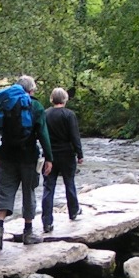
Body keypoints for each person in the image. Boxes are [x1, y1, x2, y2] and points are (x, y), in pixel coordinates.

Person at [0, 75, 53, 250]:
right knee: (28, 192)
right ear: (30, 90)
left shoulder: (3, 105)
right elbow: (43, 134)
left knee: (5, 191)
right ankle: (28, 232)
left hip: (6, 156)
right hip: (29, 157)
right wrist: (49, 157)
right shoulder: (36, 106)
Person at [41, 87, 83, 234]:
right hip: (67, 154)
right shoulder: (69, 115)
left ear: (52, 99)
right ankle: (73, 211)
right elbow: (74, 136)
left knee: (48, 187)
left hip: (49, 155)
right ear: (65, 99)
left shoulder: (45, 114)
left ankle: (47, 222)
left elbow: (40, 134)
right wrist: (80, 154)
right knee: (69, 182)